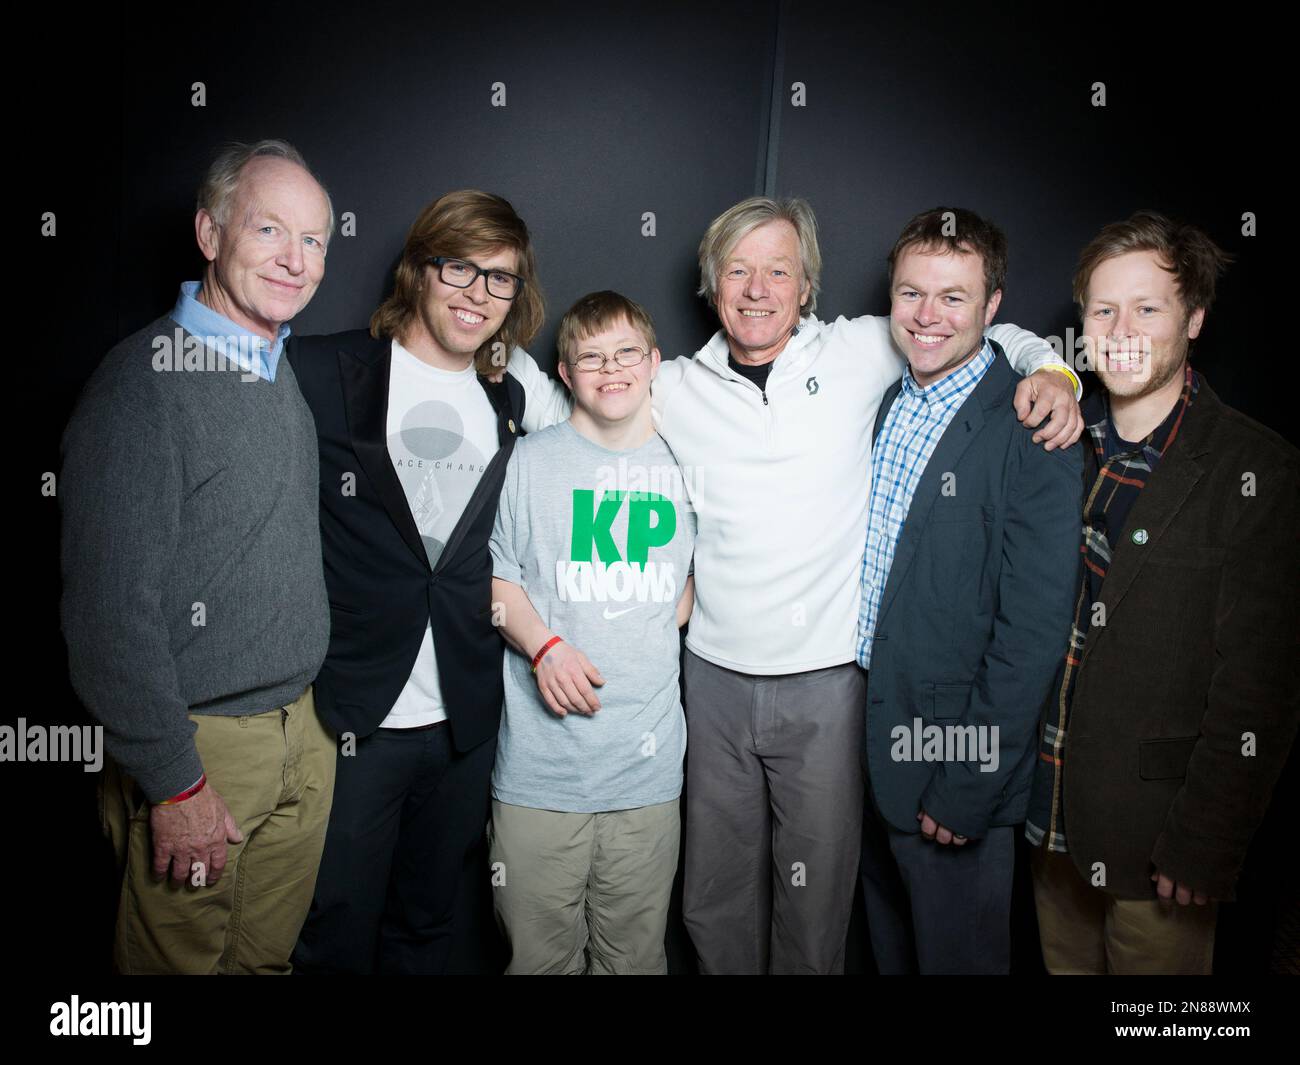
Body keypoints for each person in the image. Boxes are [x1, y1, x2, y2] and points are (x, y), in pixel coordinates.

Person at [505, 195, 1083, 973]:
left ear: (807, 285)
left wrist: (1051, 366)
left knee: (817, 905)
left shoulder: (865, 349)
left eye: (778, 269)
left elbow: (965, 321)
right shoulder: (671, 383)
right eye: (737, 271)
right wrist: (485, 350)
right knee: (713, 895)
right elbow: (573, 399)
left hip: (830, 684)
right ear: (711, 287)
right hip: (710, 681)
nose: (757, 288)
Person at [61, 139, 336, 974]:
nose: (296, 260)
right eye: (269, 230)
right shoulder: (143, 385)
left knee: (261, 963)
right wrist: (176, 782)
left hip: (303, 732)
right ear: (210, 234)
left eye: (316, 239)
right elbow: (106, 616)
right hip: (201, 748)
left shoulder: (274, 363)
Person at [1025, 211, 1300, 974]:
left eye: (1148, 308)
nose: (1121, 328)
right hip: (1046, 820)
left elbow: (1260, 687)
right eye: (1103, 308)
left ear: (1196, 320)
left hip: (1158, 844)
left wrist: (1206, 839)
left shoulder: (1257, 471)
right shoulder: (1057, 444)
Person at [290, 190, 536, 974]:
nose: (478, 294)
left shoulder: (509, 399)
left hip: (463, 720)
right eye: (459, 267)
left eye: (500, 278)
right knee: (331, 928)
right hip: (352, 712)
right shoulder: (322, 367)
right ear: (419, 269)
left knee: (429, 930)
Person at [856, 207, 1082, 974]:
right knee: (890, 955)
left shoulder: (1032, 423)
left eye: (953, 298)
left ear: (991, 309)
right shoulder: (889, 402)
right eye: (911, 292)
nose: (927, 316)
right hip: (871, 750)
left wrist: (967, 783)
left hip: (950, 769)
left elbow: (1034, 629)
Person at [488, 290, 696, 974]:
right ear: (566, 373)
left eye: (627, 352)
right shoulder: (529, 461)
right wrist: (544, 645)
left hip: (647, 770)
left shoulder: (686, 466)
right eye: (591, 356)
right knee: (538, 960)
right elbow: (496, 577)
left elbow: (697, 583)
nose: (612, 369)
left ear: (655, 362)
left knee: (633, 958)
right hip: (541, 773)